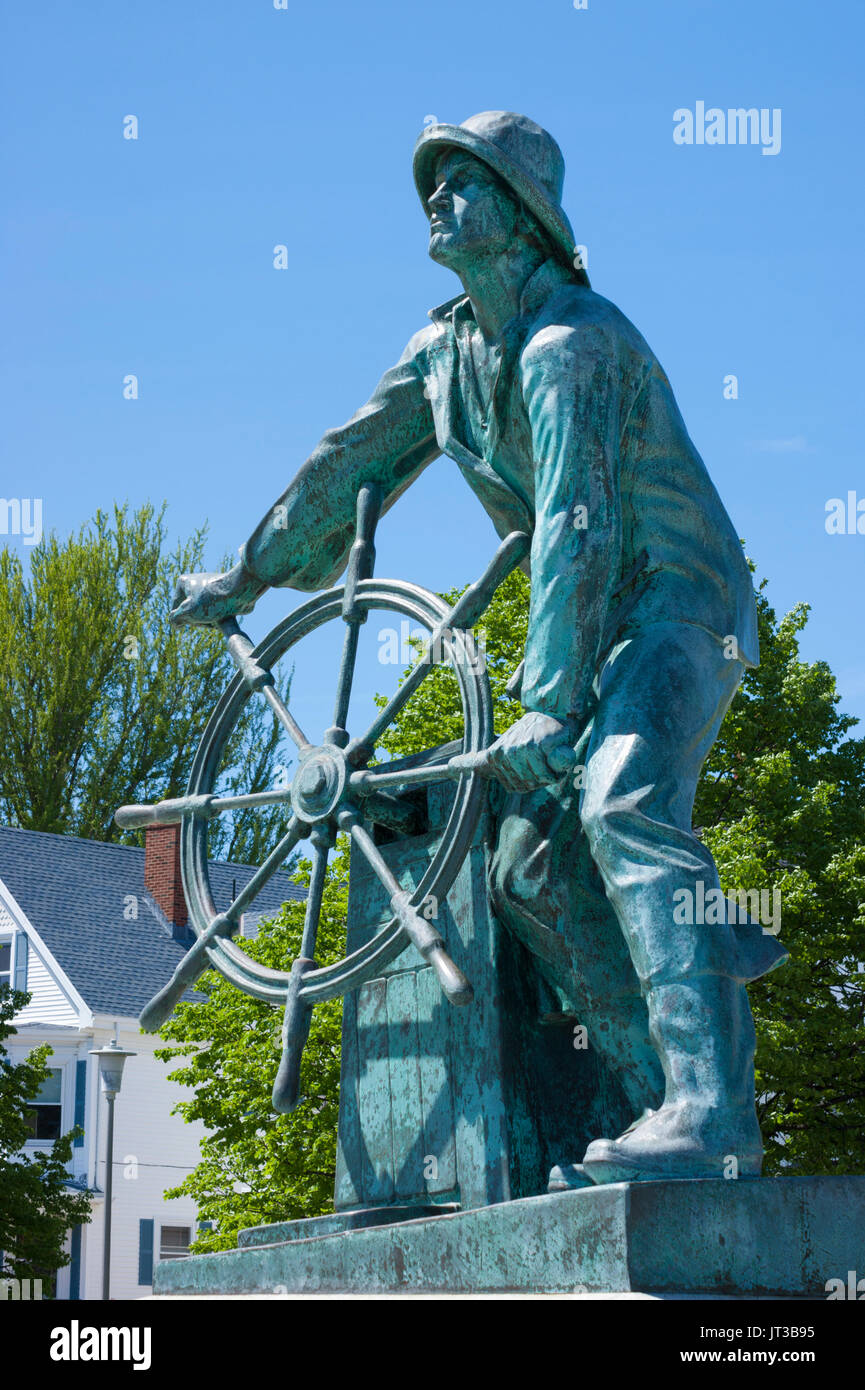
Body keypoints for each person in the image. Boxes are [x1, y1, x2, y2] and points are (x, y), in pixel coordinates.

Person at [170, 111, 787, 1187]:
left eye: (464, 182)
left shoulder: (572, 342)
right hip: (592, 619)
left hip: (682, 606)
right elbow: (344, 463)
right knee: (526, 867)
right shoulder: (444, 354)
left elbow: (577, 525)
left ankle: (713, 1111)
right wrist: (248, 576)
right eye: (433, 183)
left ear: (523, 216)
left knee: (620, 798)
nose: (436, 199)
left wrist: (547, 703)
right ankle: (653, 1102)